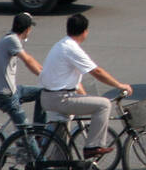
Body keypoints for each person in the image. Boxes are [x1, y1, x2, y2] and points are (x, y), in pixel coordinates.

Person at [40, 13, 133, 161]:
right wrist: (120, 85)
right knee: (104, 105)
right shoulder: (72, 48)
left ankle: (55, 167)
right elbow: (97, 72)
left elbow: (71, 80)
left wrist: (84, 98)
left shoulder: (61, 45)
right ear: (85, 32)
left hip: (50, 97)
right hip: (60, 99)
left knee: (61, 136)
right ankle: (93, 147)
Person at [0, 13, 46, 130]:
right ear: (27, 29)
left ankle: (39, 134)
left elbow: (31, 59)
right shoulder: (12, 40)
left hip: (13, 91)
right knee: (26, 134)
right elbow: (28, 61)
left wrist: (46, 73)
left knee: (44, 93)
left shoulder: (11, 39)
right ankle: (33, 142)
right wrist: (45, 77)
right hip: (6, 96)